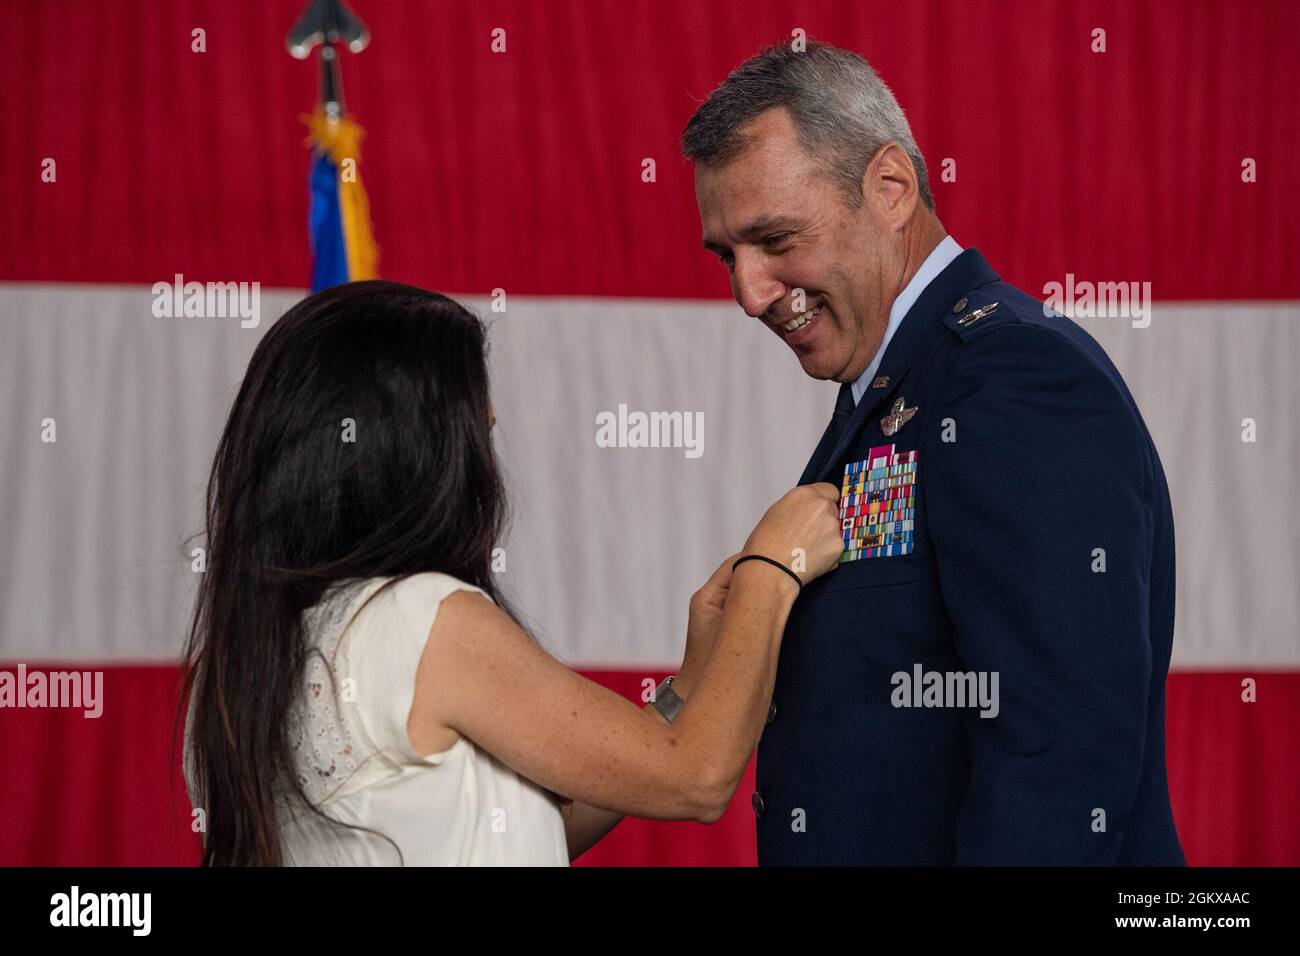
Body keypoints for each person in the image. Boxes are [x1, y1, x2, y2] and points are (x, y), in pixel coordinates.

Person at [680, 40, 1186, 864]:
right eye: (726, 256)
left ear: (890, 189)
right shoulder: (904, 384)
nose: (749, 292)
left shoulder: (1015, 376)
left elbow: (1059, 757)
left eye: (775, 238)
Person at [179, 280, 842, 866]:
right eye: (477, 436)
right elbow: (697, 778)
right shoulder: (420, 617)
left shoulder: (248, 654)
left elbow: (532, 828)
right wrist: (771, 567)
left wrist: (689, 687)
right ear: (416, 452)